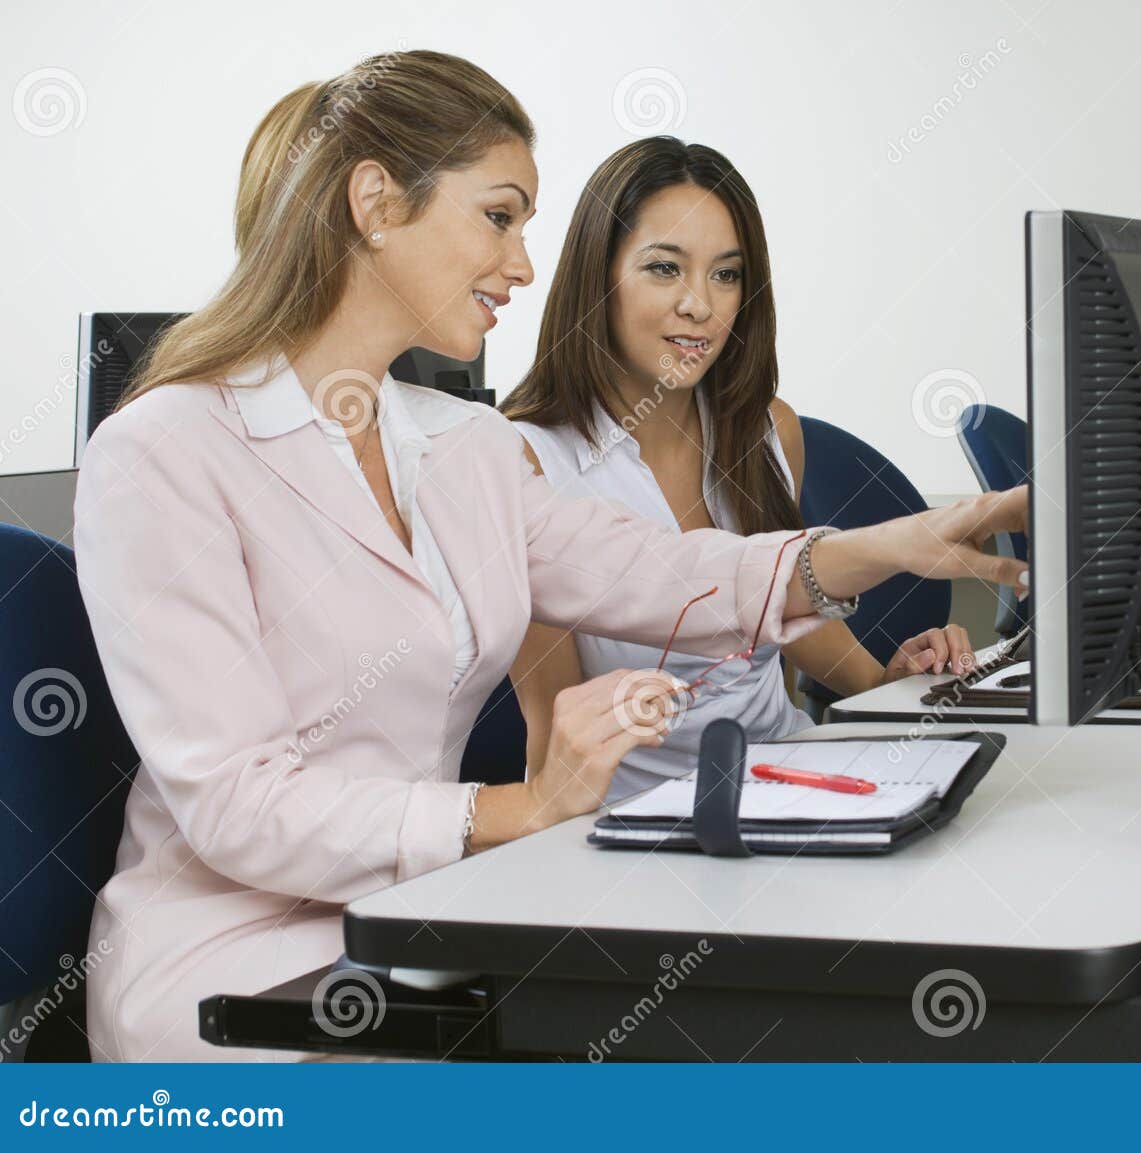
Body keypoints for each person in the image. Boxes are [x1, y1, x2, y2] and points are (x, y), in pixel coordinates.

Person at [71, 50, 1027, 1062]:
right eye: (499, 216)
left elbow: (658, 574)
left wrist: (898, 542)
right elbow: (235, 805)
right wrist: (521, 806)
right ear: (375, 204)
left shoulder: (461, 446)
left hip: (430, 920)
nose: (525, 264)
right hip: (239, 969)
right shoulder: (163, 452)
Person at [499, 137, 977, 800]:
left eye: (726, 274)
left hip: (796, 780)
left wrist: (887, 681)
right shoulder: (524, 463)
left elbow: (777, 616)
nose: (702, 304)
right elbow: (552, 731)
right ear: (597, 276)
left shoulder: (765, 427)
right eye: (665, 268)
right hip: (644, 823)